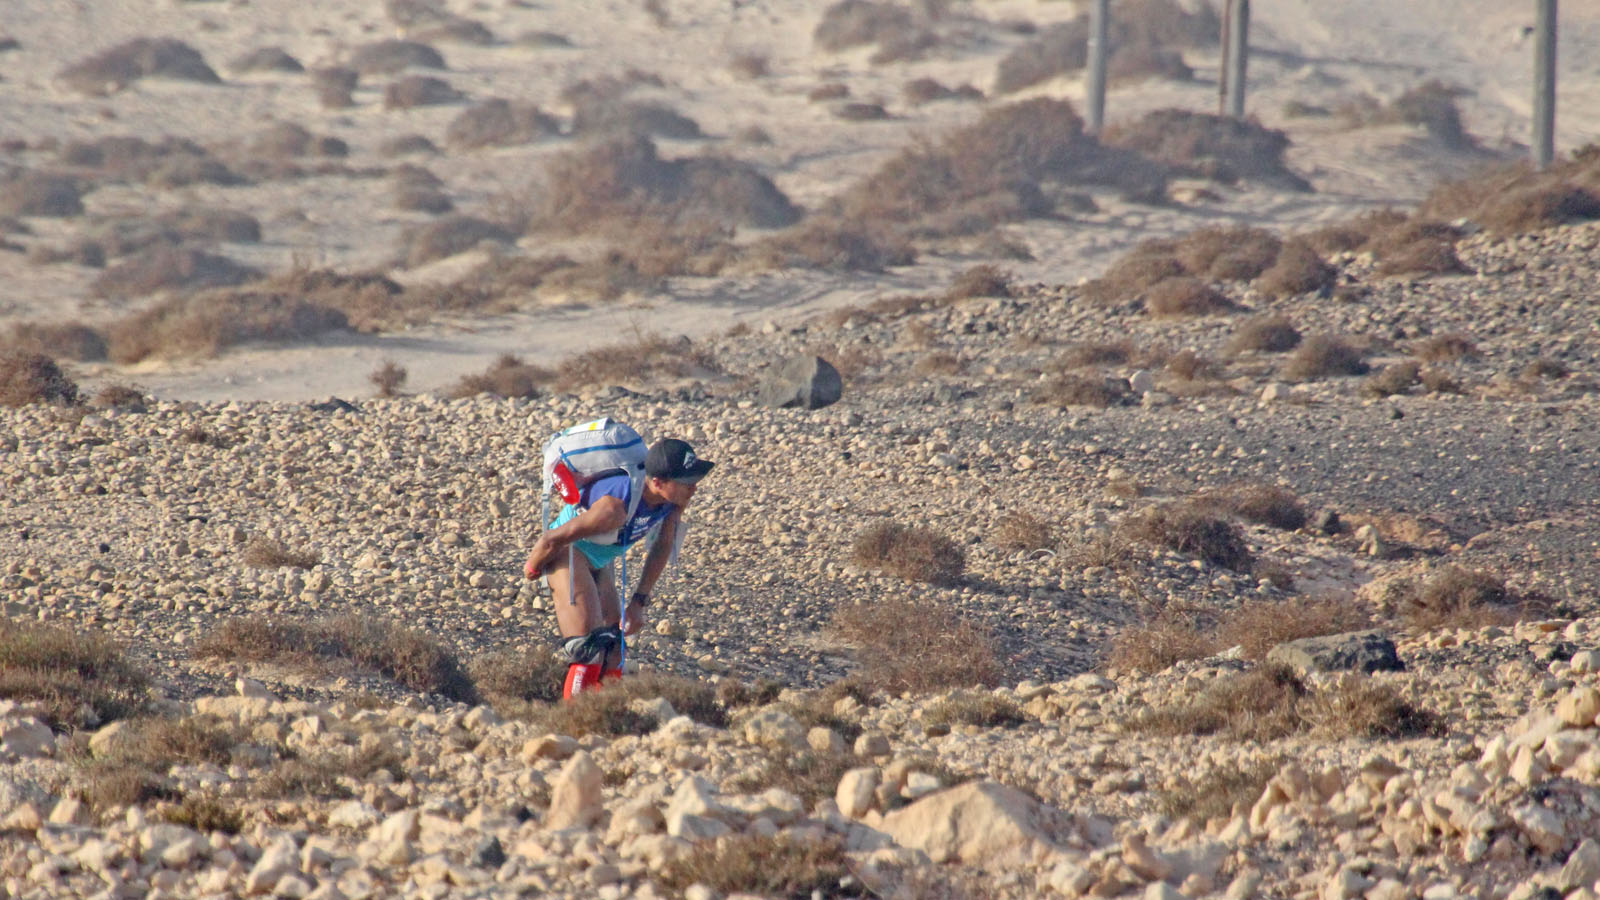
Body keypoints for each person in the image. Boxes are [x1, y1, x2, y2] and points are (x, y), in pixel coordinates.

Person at [523, 437, 713, 698]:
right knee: (588, 650)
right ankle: (572, 724)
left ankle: (604, 720)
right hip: (568, 553)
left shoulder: (673, 502)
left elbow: (663, 545)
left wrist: (638, 602)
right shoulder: (614, 508)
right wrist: (532, 571)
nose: (694, 488)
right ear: (657, 482)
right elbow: (551, 539)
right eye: (686, 481)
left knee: (614, 652)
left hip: (602, 560)